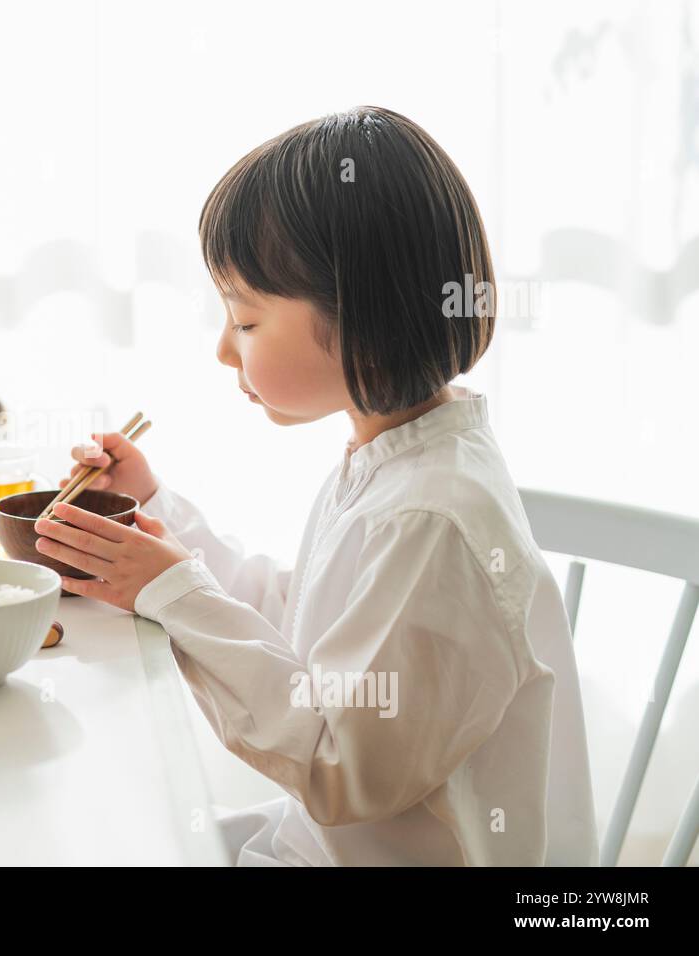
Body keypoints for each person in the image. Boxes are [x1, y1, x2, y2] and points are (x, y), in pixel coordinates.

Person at [34, 106, 598, 866]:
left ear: (361, 314)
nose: (223, 352)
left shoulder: (428, 517)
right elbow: (300, 625)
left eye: (245, 320)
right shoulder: (397, 462)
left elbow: (339, 765)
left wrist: (169, 592)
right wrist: (159, 516)